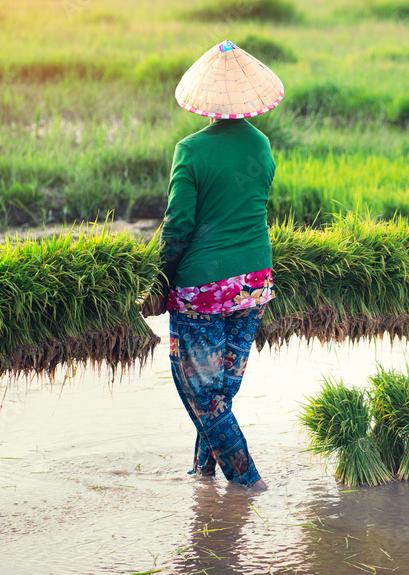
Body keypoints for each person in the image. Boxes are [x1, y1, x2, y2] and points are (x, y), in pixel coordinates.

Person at [142, 39, 284, 491]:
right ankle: (203, 476)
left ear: (204, 102)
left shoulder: (191, 150)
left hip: (203, 290)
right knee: (220, 392)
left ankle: (249, 484)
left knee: (202, 396)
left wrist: (160, 281)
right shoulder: (262, 146)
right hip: (255, 284)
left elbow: (178, 226)